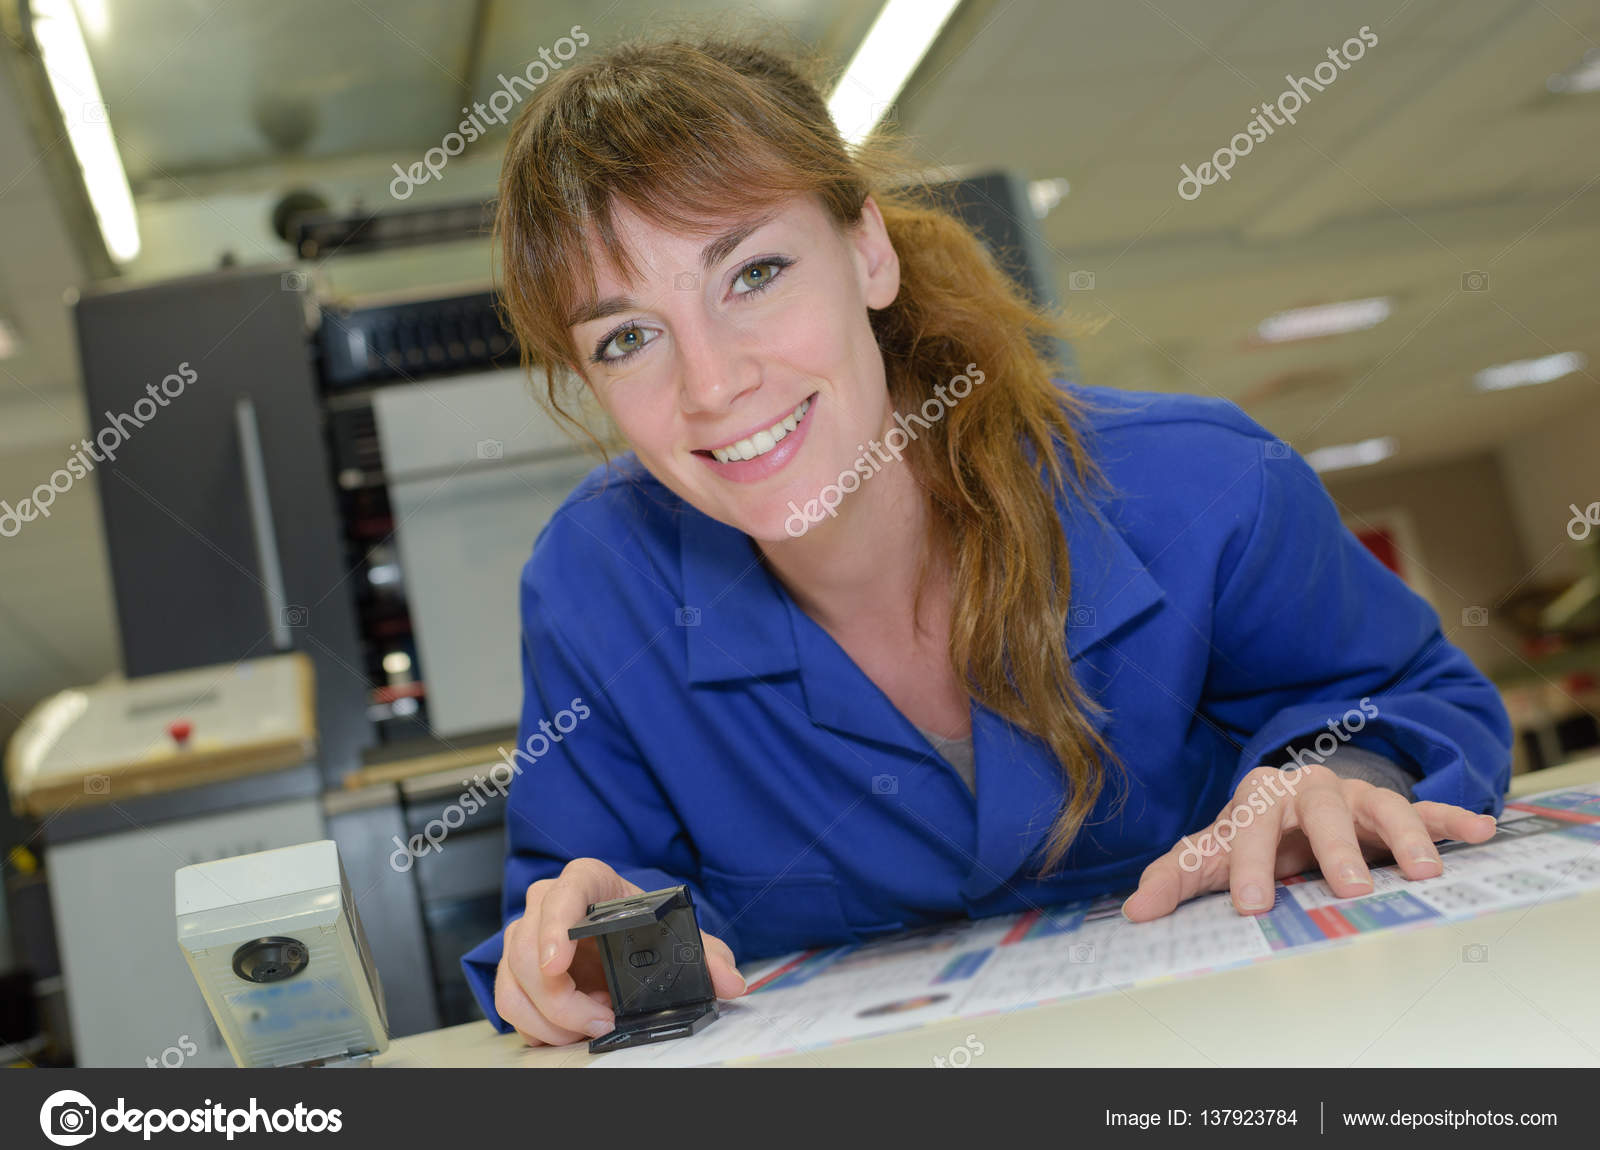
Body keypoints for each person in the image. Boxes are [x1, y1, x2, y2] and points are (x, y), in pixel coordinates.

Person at [461, 36, 1510, 1047]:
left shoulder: (1201, 485)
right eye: (627, 337)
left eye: (754, 274)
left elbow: (1403, 698)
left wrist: (1336, 772)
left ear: (866, 251)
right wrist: (578, 949)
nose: (711, 384)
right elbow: (584, 906)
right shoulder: (598, 589)